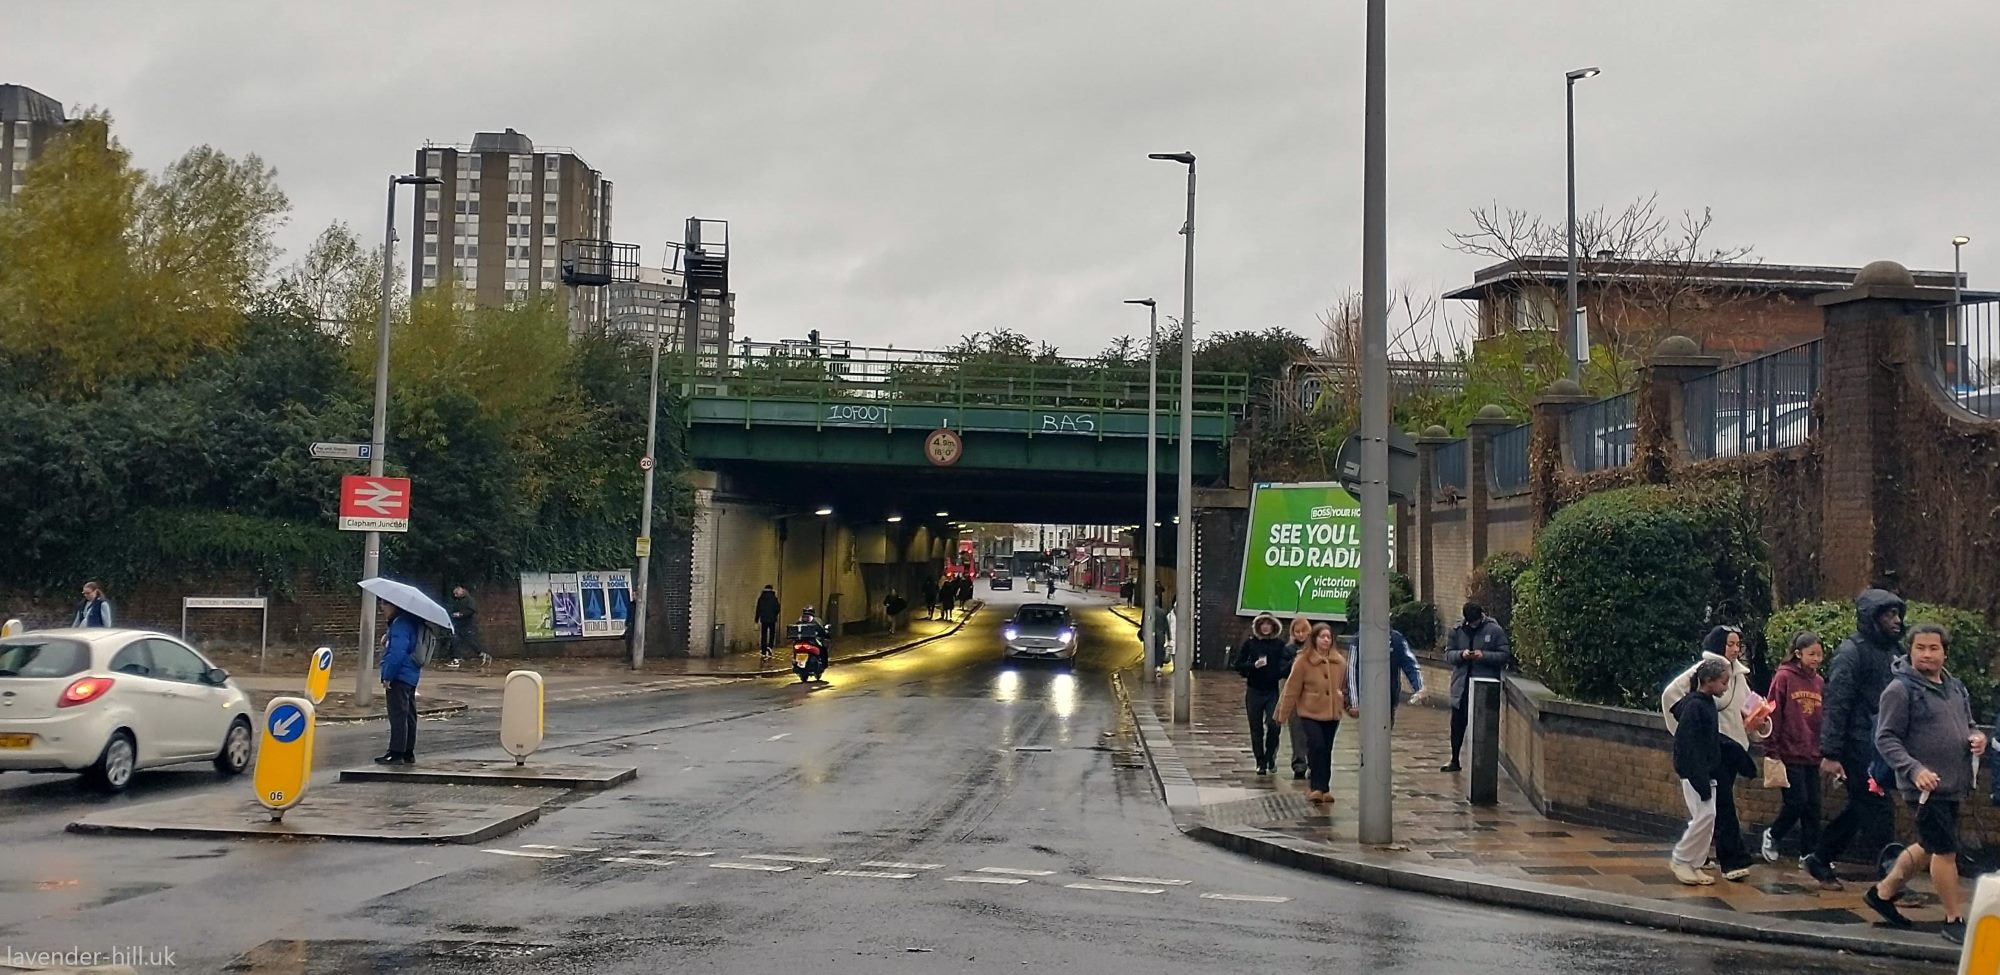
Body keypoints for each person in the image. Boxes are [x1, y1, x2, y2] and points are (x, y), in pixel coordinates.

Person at [1862, 623, 1985, 945]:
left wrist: (1977, 738)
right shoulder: (1900, 690)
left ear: (1945, 652)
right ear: (1910, 650)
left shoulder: (1955, 687)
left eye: (1933, 648)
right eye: (1920, 648)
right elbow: (1886, 738)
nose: (1927, 654)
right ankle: (1953, 918)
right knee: (1945, 851)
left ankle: (1883, 893)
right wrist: (1914, 770)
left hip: (1954, 783)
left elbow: (1970, 724)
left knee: (1930, 846)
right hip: (1925, 790)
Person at [1804, 589, 1907, 889]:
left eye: (1898, 614)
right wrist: (1831, 753)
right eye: (1889, 615)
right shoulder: (1852, 652)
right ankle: (1892, 880)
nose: (1896, 620)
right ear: (1871, 617)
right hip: (1856, 746)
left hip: (1880, 745)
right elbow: (1837, 702)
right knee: (1879, 808)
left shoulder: (1895, 652)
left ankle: (1820, 858)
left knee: (1861, 807)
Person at [1662, 625, 1772, 882]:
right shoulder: (1701, 678)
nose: (1735, 649)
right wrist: (1688, 734)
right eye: (1730, 644)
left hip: (1731, 750)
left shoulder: (1739, 677)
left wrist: (1761, 724)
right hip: (1712, 754)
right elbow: (1671, 697)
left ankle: (1698, 859)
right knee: (1717, 809)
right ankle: (1729, 859)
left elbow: (1747, 710)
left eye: (1738, 645)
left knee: (1712, 811)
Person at [1670, 658, 1742, 886]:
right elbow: (1687, 745)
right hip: (1695, 774)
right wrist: (1699, 777)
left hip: (1706, 772)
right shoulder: (1695, 707)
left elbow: (1712, 740)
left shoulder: (1706, 703)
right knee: (1704, 816)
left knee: (1709, 818)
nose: (1726, 687)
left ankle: (1694, 862)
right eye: (1723, 682)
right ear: (1708, 681)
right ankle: (1681, 859)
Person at [1761, 631, 1827, 864]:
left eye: (1819, 654)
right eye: (1812, 654)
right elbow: (1774, 712)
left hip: (1812, 752)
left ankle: (1808, 854)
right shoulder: (1784, 678)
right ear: (1798, 654)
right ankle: (1773, 834)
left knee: (1814, 806)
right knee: (1796, 801)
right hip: (1788, 751)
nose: (1817, 659)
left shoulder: (1819, 682)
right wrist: (1772, 747)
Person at [1277, 623, 1348, 804]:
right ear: (1314, 639)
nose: (1325, 640)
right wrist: (1282, 714)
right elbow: (1291, 688)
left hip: (1332, 713)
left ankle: (1324, 788)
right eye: (1322, 636)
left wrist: (1347, 703)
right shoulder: (1303, 660)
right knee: (1316, 746)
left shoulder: (1339, 661)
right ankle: (1316, 787)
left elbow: (1347, 687)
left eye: (1328, 637)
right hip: (1309, 712)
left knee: (1327, 750)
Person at [1441, 602, 1511, 773]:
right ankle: (1454, 759)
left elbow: (1504, 655)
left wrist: (1484, 655)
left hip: (1484, 685)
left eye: (1476, 622)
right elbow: (1448, 654)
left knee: (1483, 726)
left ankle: (1483, 764)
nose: (1473, 625)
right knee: (1457, 724)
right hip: (1462, 686)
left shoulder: (1494, 630)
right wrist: (1462, 654)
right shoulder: (1457, 630)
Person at [1233, 613, 1295, 775]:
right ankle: (1260, 761)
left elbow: (1285, 666)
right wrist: (1253, 666)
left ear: (1274, 627)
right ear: (1258, 626)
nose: (1266, 627)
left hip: (1271, 690)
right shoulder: (1250, 643)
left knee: (1274, 724)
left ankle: (1270, 756)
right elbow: (1238, 664)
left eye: (1269, 624)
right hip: (1254, 690)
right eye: (1263, 624)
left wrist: (1292, 663)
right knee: (1256, 728)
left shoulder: (1279, 645)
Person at [1344, 623, 1425, 728]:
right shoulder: (1359, 639)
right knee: (1369, 735)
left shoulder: (1396, 639)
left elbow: (1409, 664)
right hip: (1366, 701)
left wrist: (1419, 687)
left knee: (1384, 734)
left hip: (1389, 700)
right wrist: (1355, 703)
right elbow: (1352, 670)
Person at [375, 605, 425, 766]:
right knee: (409, 714)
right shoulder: (412, 621)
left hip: (400, 674)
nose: (382, 607)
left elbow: (397, 653)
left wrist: (388, 676)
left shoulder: (400, 624)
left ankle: (396, 753)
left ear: (394, 606)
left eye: (384, 603)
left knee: (398, 715)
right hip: (411, 673)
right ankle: (408, 752)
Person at [1283, 615, 1314, 780]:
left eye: (1304, 631)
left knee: (1313, 731)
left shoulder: (1315, 649)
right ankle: (1299, 764)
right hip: (1295, 695)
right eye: (1297, 631)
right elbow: (1283, 671)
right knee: (1297, 730)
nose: (1301, 635)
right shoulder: (1288, 650)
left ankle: (1313, 763)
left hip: (1313, 695)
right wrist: (1295, 661)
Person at [444, 585, 487, 669]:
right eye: (454, 594)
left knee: (469, 640)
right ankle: (456, 658)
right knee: (455, 640)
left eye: (456, 593)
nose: (455, 595)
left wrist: (461, 614)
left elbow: (471, 611)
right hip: (458, 624)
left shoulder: (469, 600)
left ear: (461, 591)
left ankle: (481, 653)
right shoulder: (457, 600)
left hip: (466, 624)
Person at [755, 584, 781, 660]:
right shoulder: (774, 598)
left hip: (764, 619)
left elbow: (758, 609)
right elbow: (778, 608)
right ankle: (770, 647)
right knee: (772, 634)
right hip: (772, 619)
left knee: (764, 635)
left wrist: (756, 620)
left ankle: (763, 651)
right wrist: (774, 614)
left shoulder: (761, 598)